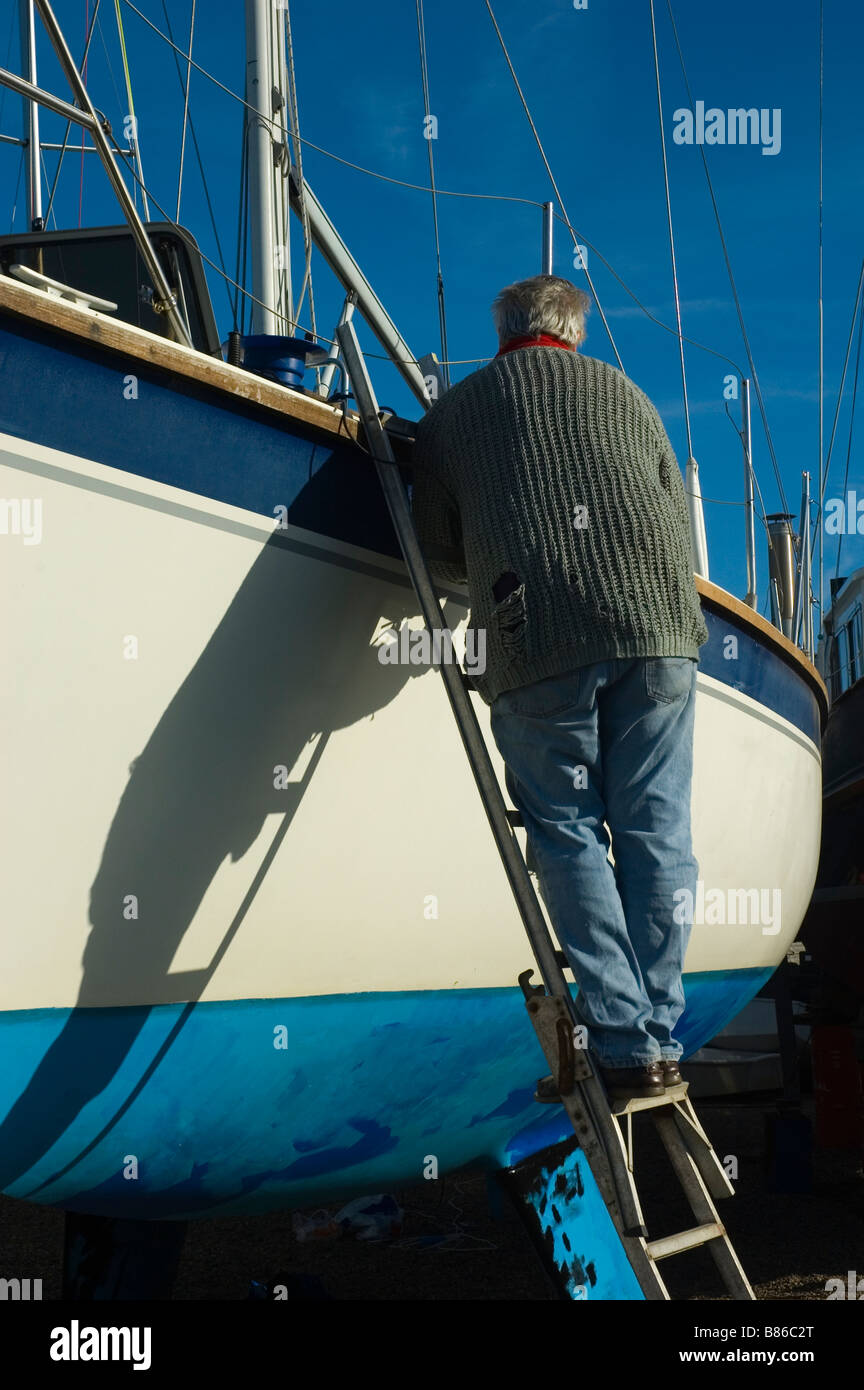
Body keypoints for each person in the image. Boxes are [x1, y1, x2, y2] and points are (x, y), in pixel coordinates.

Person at [411, 274, 709, 1101]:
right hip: (659, 635)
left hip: (538, 637)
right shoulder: (630, 395)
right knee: (657, 832)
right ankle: (657, 1034)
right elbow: (672, 516)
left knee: (568, 829)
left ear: (502, 330)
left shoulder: (455, 417)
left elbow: (437, 548)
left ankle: (621, 1036)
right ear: (574, 333)